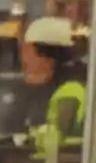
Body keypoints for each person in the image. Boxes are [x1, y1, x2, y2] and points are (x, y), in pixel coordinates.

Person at [21, 15, 86, 152]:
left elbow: (57, 138)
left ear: (46, 55)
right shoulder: (28, 87)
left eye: (28, 50)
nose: (23, 56)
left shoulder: (70, 91)